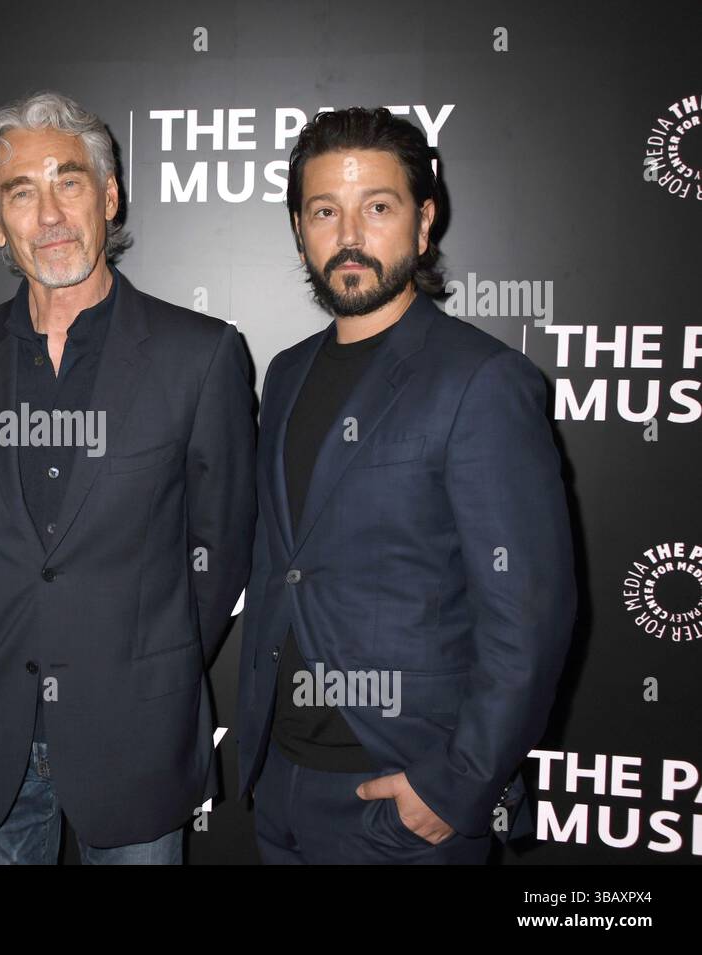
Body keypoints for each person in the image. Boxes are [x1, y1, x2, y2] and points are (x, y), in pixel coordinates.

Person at [0, 91, 255, 864]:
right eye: (20, 192)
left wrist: (144, 657)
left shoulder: (199, 356)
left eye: (68, 182)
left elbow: (223, 548)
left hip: (136, 729)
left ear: (108, 196)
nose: (49, 215)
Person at [237, 107, 576, 864]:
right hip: (281, 778)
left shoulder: (481, 381)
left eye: (377, 207)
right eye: (325, 210)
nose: (348, 233)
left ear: (424, 224)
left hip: (400, 798)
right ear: (299, 227)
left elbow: (530, 613)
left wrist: (456, 785)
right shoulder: (286, 372)